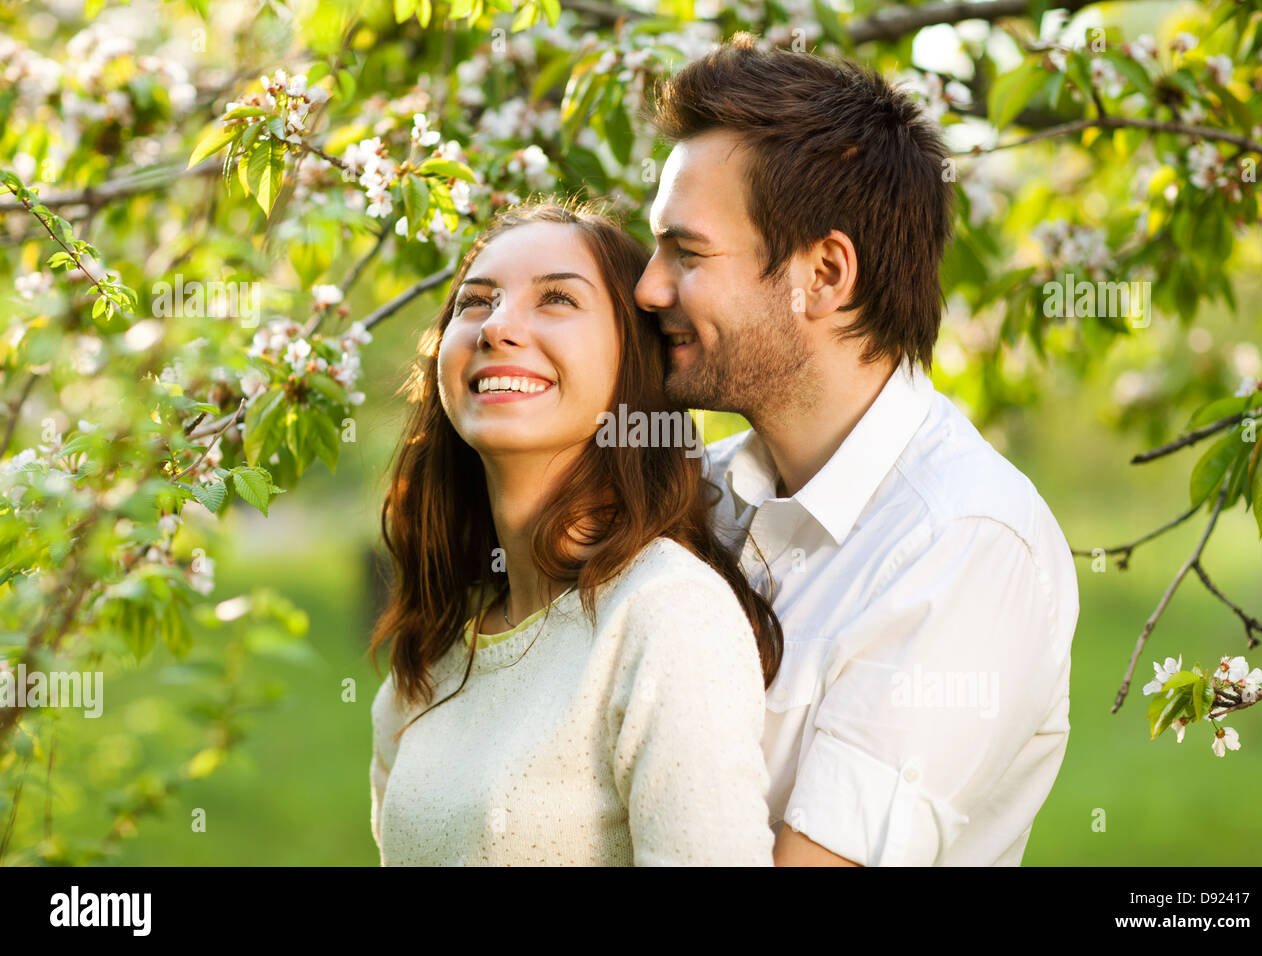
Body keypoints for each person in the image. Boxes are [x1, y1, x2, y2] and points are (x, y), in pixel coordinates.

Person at [635, 34, 1080, 866]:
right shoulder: (697, 498)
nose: (649, 288)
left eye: (686, 252)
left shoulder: (967, 543)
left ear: (825, 274)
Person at [367, 200, 783, 866]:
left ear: (636, 362)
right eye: (475, 302)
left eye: (557, 298)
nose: (498, 327)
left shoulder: (665, 615)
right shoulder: (431, 663)